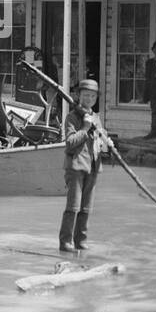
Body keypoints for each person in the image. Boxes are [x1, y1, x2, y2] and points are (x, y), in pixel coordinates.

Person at [60, 79, 109, 252]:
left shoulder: (96, 118)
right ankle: (65, 242)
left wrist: (106, 142)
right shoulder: (72, 117)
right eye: (85, 95)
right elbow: (70, 142)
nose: (89, 98)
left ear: (96, 98)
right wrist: (86, 127)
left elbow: (100, 143)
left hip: (93, 166)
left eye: (92, 96)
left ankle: (80, 240)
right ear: (79, 96)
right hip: (76, 166)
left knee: (86, 207)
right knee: (73, 206)